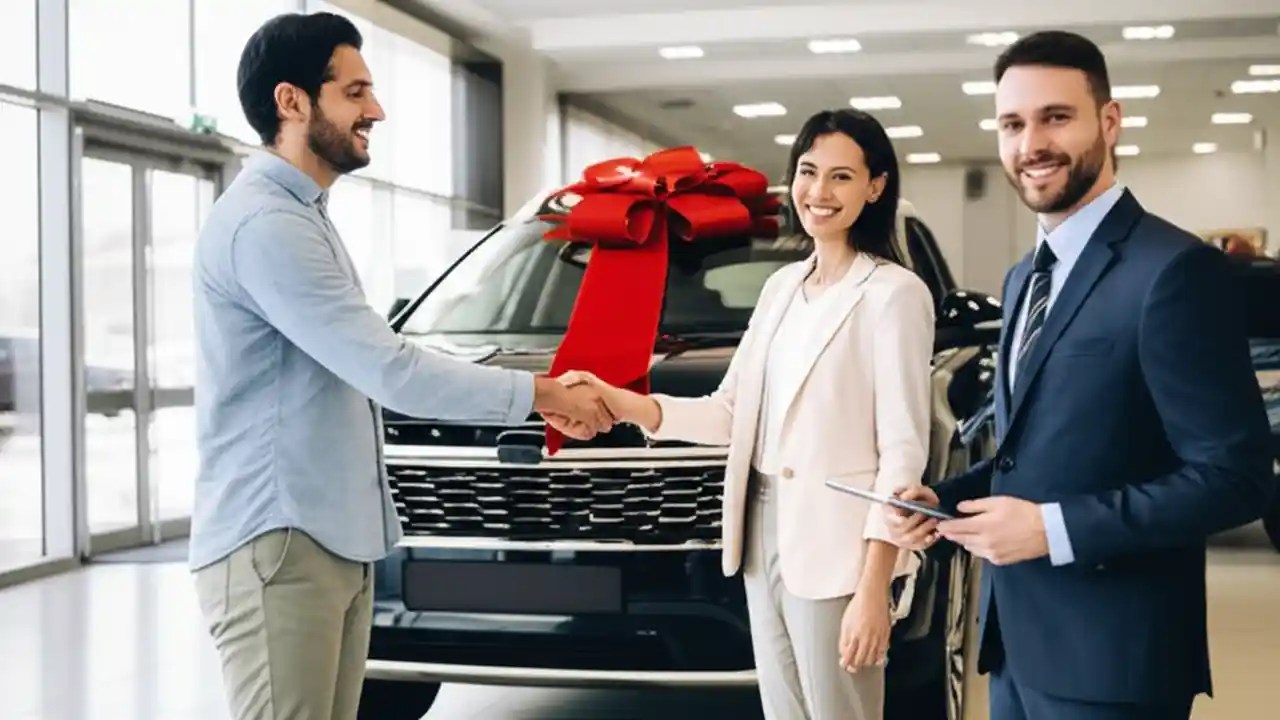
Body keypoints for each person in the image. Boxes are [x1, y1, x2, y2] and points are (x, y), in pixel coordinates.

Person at [189, 12, 610, 720]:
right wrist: (539, 393)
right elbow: (391, 371)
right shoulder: (268, 225)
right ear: (292, 102)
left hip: (328, 544)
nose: (375, 111)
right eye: (355, 93)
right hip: (279, 545)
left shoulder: (305, 214)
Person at [885, 30, 1274, 720]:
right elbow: (1036, 455)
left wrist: (1053, 530)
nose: (1031, 143)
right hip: (1013, 649)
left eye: (1055, 117)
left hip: (1116, 662)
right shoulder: (1022, 278)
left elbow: (1235, 477)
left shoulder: (1175, 272)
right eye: (1013, 123)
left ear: (1109, 120)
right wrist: (944, 502)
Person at [553, 109, 935, 720]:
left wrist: (873, 588)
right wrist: (620, 401)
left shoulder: (894, 295)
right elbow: (729, 415)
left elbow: (903, 452)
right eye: (809, 172)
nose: (819, 192)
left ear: (876, 186)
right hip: (762, 534)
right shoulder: (782, 287)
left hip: (840, 547)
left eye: (841, 177)